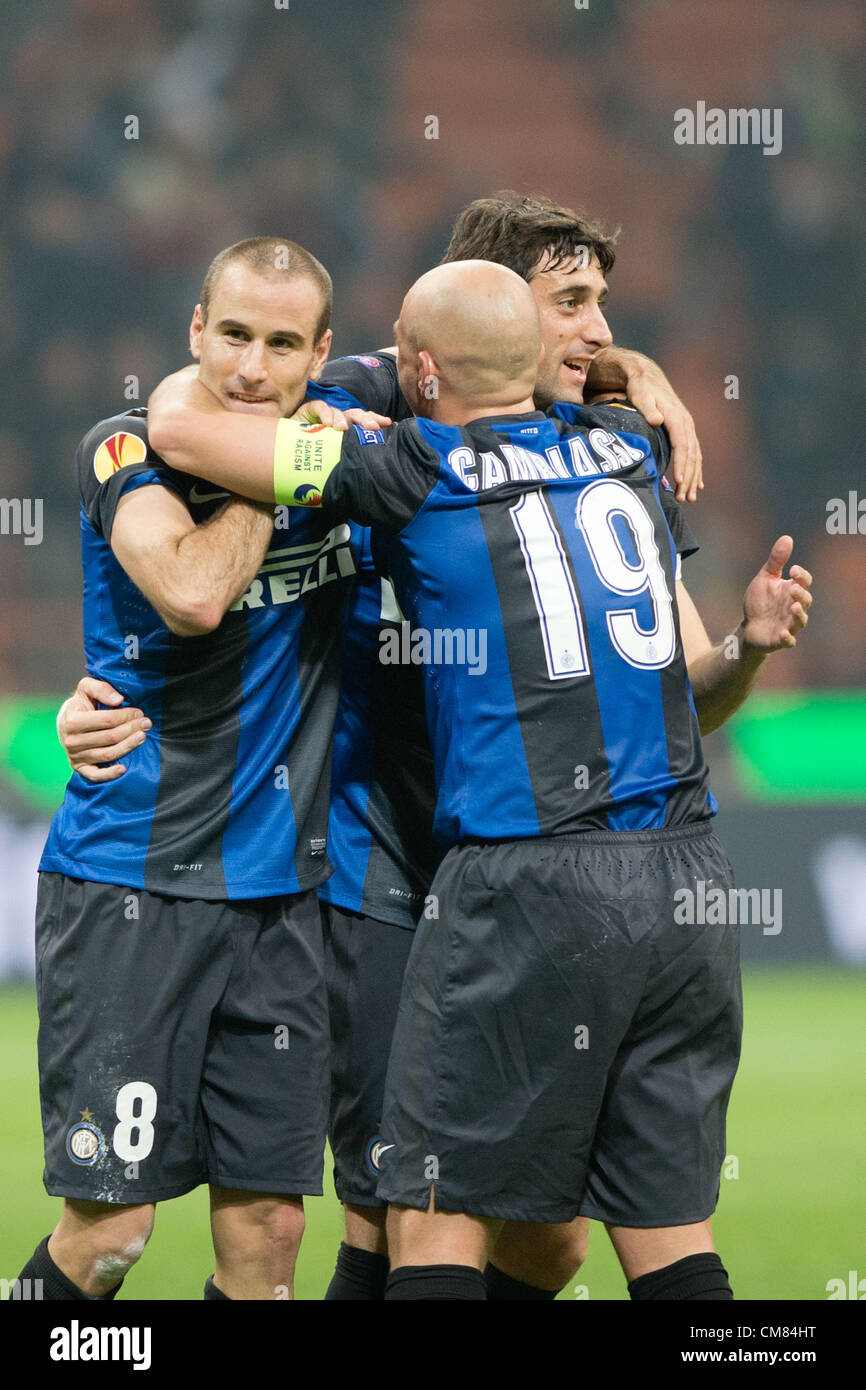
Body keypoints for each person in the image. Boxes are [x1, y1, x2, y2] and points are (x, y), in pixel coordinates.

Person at [137, 258, 812, 1300]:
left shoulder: (414, 467)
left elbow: (181, 434)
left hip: (526, 880)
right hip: (686, 877)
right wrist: (633, 373)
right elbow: (586, 391)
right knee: (668, 1237)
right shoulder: (626, 445)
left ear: (417, 368)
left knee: (432, 1216)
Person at [15, 236, 384, 1303]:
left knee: (270, 1227)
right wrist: (270, 473)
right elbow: (189, 593)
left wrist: (639, 380)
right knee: (114, 1227)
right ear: (193, 331)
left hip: (281, 907)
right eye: (231, 335)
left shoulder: (347, 440)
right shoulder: (123, 450)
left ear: (318, 352)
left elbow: (464, 359)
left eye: (280, 344)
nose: (250, 368)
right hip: (133, 887)